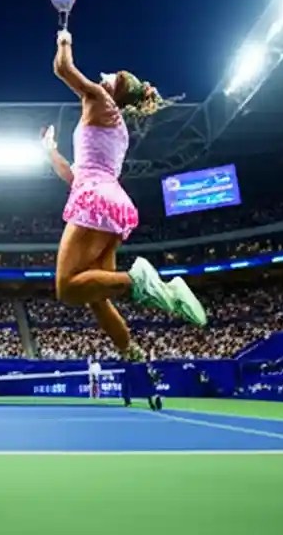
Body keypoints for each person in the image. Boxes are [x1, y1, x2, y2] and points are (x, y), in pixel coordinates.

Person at [45, 28, 207, 363]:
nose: (103, 76)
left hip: (97, 200)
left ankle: (139, 278)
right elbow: (74, 176)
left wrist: (65, 39)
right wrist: (51, 152)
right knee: (96, 294)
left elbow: (63, 69)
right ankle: (129, 349)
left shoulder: (99, 101)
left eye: (111, 78)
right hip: (111, 201)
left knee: (67, 286)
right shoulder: (115, 128)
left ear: (114, 91)